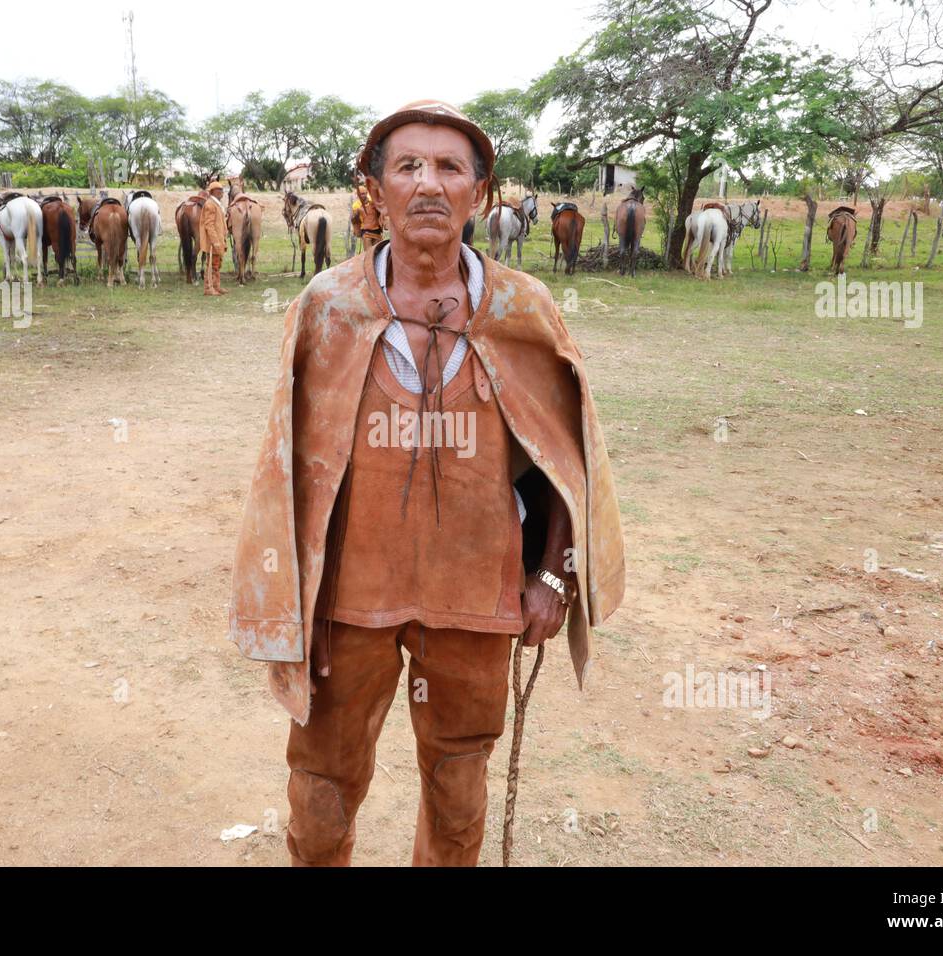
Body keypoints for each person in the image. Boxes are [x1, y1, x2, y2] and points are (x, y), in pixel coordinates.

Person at [227, 99, 625, 866]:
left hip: (476, 602)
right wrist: (287, 597)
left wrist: (551, 573)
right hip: (349, 604)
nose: (430, 184)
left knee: (457, 800)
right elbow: (286, 469)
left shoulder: (523, 309)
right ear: (376, 190)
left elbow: (567, 458)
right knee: (320, 796)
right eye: (408, 166)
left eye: (450, 167)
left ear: (480, 191)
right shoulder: (328, 308)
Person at [197, 180, 228, 296]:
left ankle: (216, 286)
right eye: (219, 190)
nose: (222, 192)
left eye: (222, 190)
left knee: (217, 264)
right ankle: (208, 288)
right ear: (213, 191)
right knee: (211, 265)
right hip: (213, 242)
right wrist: (215, 242)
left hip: (219, 239)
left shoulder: (216, 204)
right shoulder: (210, 205)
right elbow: (209, 225)